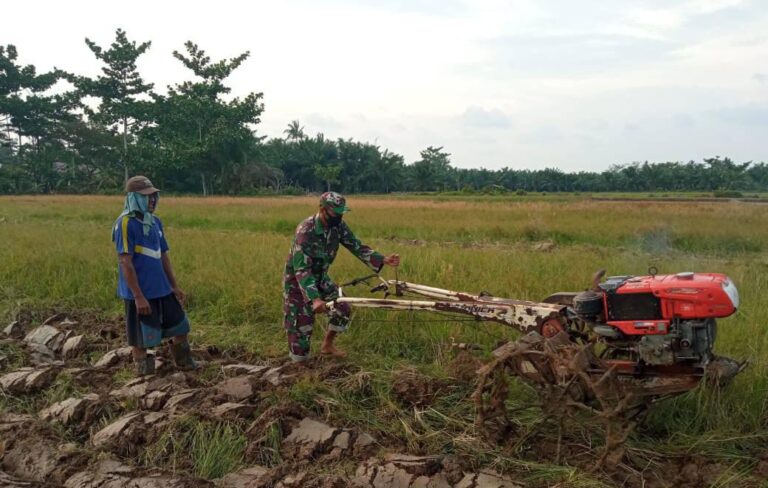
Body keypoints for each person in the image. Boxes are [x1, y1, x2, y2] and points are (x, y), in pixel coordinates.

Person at [283, 191, 400, 361]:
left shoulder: (338, 226)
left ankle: (327, 346)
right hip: (298, 283)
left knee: (342, 307)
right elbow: (302, 269)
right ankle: (298, 366)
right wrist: (314, 299)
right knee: (301, 327)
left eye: (342, 212)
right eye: (335, 213)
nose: (339, 216)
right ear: (323, 209)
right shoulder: (306, 231)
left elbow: (357, 246)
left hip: (320, 277)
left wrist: (383, 259)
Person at [111, 175, 196, 375]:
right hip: (140, 293)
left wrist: (174, 286)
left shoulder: (155, 222)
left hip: (162, 288)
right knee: (141, 338)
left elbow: (163, 256)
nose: (152, 200)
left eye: (154, 196)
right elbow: (125, 261)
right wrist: (138, 296)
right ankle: (144, 375)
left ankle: (184, 363)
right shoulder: (125, 224)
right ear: (133, 198)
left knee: (180, 327)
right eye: (146, 196)